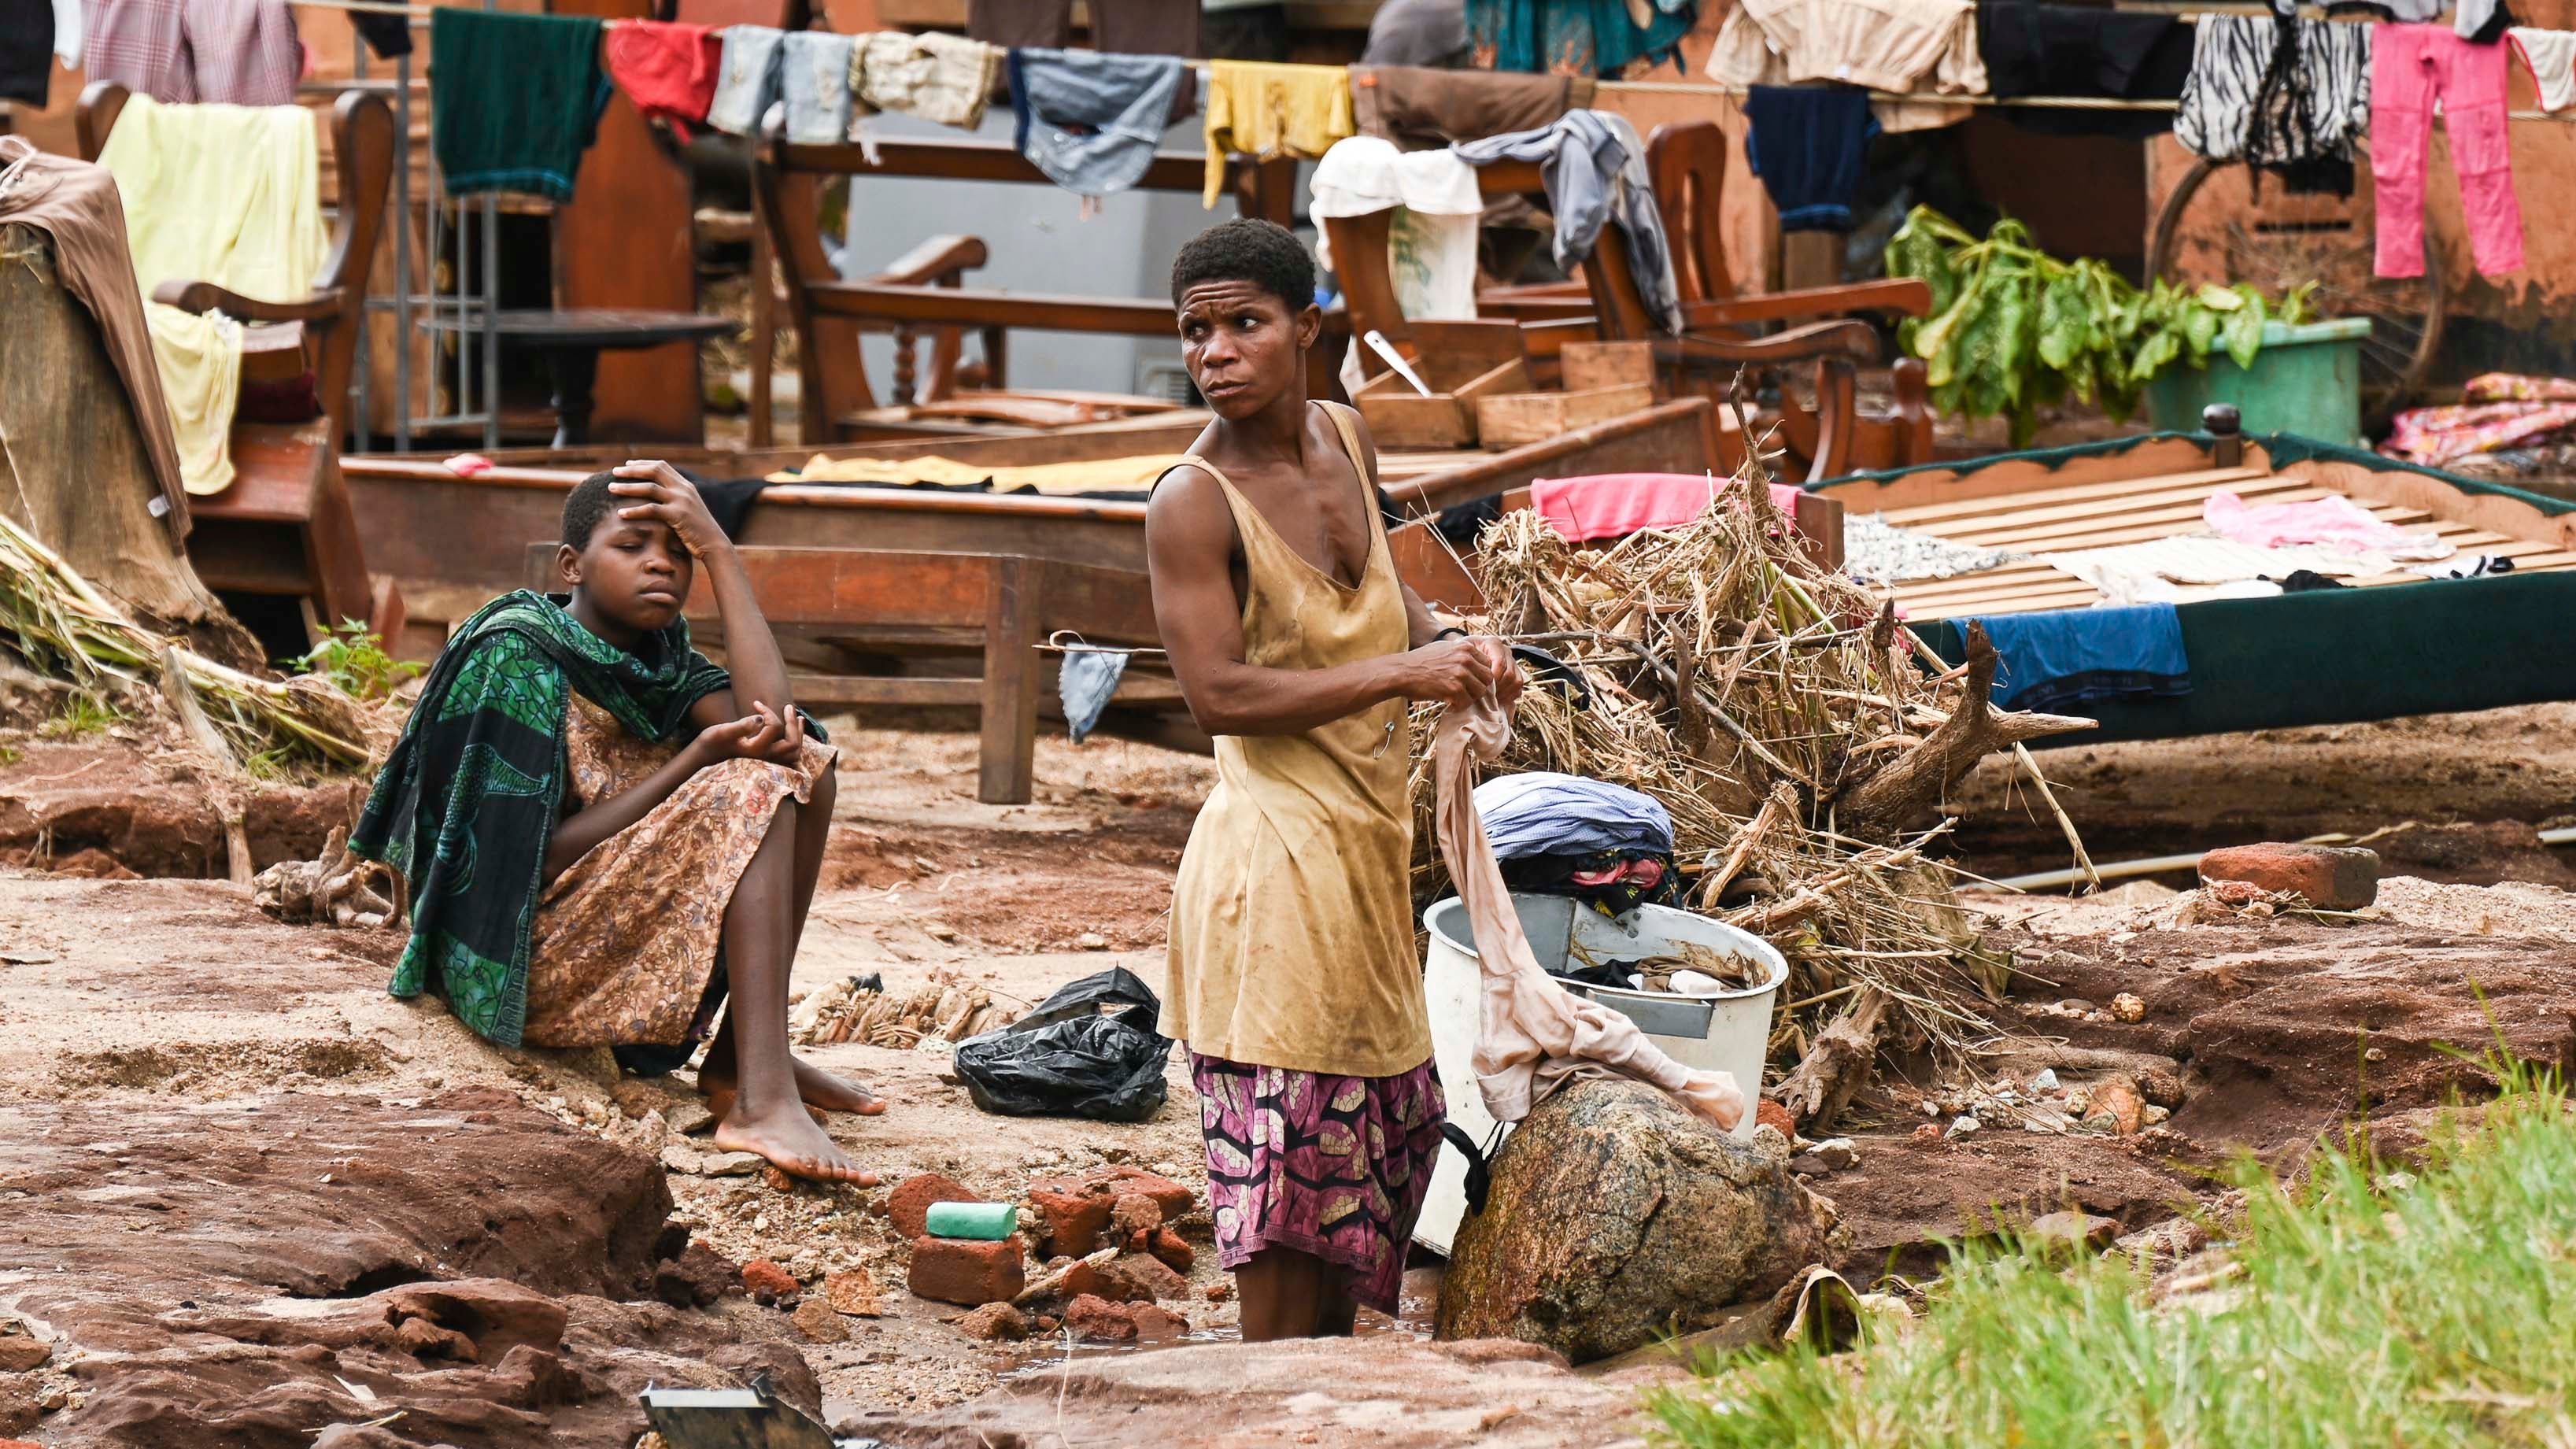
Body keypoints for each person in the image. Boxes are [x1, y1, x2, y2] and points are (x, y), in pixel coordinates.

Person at [1145, 217, 1520, 1340]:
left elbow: (1384, 607)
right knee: (1285, 1193)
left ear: (1306, 328)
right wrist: (1405, 669)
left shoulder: (1345, 437)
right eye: (1195, 332)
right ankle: (1272, 1410)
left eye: (1244, 324)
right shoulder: (1192, 501)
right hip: (1269, 872)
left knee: (1363, 1184)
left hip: (1358, 861)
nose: (1215, 351)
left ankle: (1323, 1405)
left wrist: (1453, 644)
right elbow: (1218, 695)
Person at [351, 462, 880, 1184]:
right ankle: (760, 1100)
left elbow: (777, 731)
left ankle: (742, 1058)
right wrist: (689, 762)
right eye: (632, 545)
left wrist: (722, 549)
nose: (660, 562)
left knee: (803, 769)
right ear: (572, 564)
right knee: (748, 786)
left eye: (678, 549)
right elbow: (518, 868)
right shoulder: (515, 654)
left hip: (590, 926)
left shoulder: (662, 664)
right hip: (515, 957)